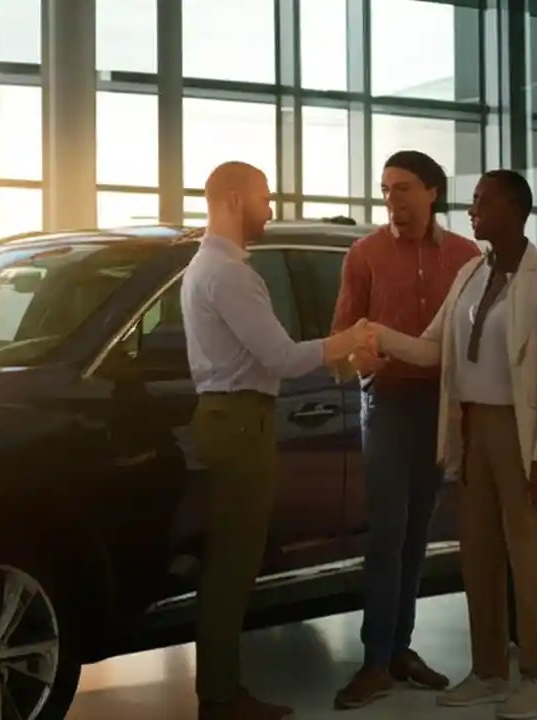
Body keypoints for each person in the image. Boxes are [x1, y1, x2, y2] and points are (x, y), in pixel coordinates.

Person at [369, 170, 537, 719]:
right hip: (472, 427)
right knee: (477, 554)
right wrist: (376, 335)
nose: (472, 209)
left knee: (528, 558)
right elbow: (434, 349)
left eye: (482, 202)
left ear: (515, 209)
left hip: (521, 434)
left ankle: (536, 677)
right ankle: (488, 671)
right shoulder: (469, 275)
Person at [182, 160, 374, 720]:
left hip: (226, 418)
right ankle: (220, 697)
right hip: (242, 423)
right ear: (237, 199)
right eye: (266, 199)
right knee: (232, 567)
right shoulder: (231, 274)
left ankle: (220, 690)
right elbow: (283, 358)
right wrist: (350, 339)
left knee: (230, 563)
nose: (271, 210)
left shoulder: (203, 267)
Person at [330, 150, 481, 709]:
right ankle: (374, 662)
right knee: (387, 535)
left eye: (403, 188)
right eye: (386, 189)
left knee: (418, 536)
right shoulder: (364, 255)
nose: (392, 198)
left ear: (432, 192)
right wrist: (358, 361)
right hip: (388, 408)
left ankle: (400, 651)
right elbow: (341, 339)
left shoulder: (467, 257)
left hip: (442, 409)